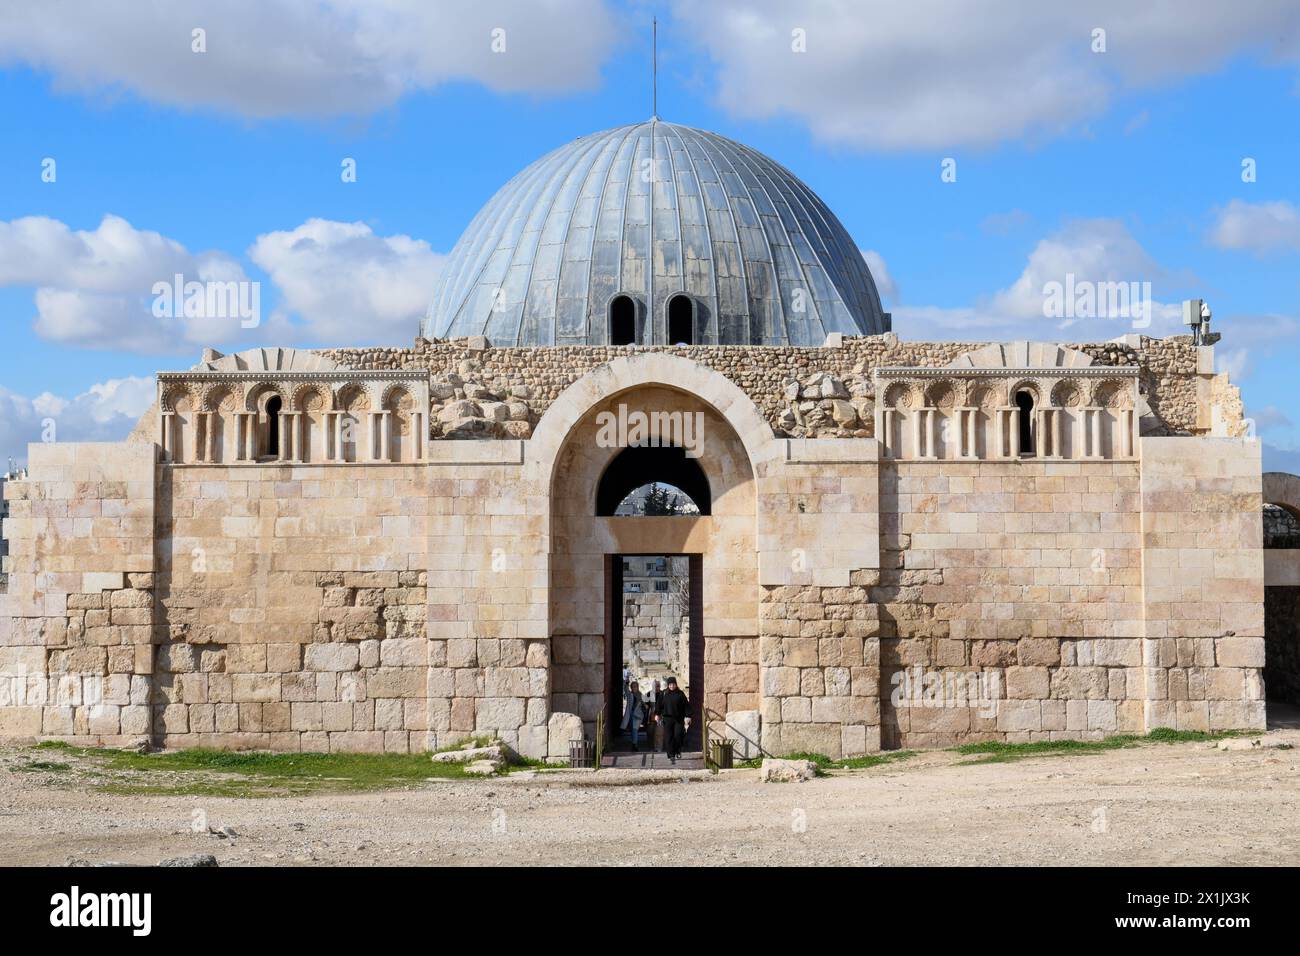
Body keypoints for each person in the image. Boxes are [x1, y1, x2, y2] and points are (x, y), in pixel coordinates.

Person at [655, 676, 690, 762]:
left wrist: (688, 716)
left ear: (676, 684)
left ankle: (677, 750)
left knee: (678, 735)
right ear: (668, 685)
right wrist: (657, 714)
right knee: (669, 737)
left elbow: (686, 705)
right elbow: (659, 705)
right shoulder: (664, 693)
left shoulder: (680, 694)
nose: (672, 686)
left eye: (673, 684)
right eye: (670, 684)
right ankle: (671, 754)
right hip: (667, 718)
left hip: (678, 718)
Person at [621, 680, 645, 750]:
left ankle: (635, 744)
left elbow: (645, 704)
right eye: (633, 687)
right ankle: (633, 743)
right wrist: (626, 684)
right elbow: (625, 689)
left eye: (635, 686)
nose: (634, 688)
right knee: (632, 730)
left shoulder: (641, 695)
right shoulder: (630, 694)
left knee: (635, 729)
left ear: (638, 687)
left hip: (637, 715)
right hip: (630, 715)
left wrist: (644, 705)